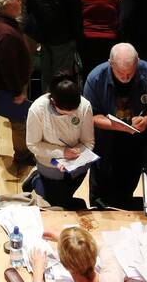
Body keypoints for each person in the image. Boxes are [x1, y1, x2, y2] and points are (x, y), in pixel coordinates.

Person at [85, 43, 147, 209]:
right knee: (100, 188)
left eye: (130, 73)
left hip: (138, 138)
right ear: (111, 64)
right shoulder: (96, 78)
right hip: (106, 140)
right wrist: (117, 126)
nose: (125, 77)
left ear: (137, 62)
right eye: (120, 73)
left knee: (127, 184)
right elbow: (92, 116)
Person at [25, 75, 95, 209]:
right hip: (49, 167)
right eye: (64, 112)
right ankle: (36, 179)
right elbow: (33, 144)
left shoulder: (84, 106)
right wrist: (62, 153)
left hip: (77, 168)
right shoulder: (37, 109)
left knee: (65, 198)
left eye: (73, 112)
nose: (69, 115)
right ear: (53, 101)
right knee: (55, 204)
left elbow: (88, 142)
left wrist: (76, 155)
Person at [0, 0, 33, 166]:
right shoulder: (7, 34)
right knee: (19, 122)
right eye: (18, 1)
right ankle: (22, 156)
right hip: (7, 88)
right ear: (8, 5)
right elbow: (9, 67)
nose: (21, 3)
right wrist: (17, 91)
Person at [25, 0, 83, 89]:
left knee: (46, 76)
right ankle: (60, 108)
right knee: (62, 79)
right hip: (63, 37)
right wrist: (78, 37)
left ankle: (46, 107)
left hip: (43, 37)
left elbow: (30, 8)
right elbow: (75, 13)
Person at [78, 0, 119, 78]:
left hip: (88, 39)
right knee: (107, 73)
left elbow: (78, 16)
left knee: (88, 72)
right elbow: (118, 12)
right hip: (109, 39)